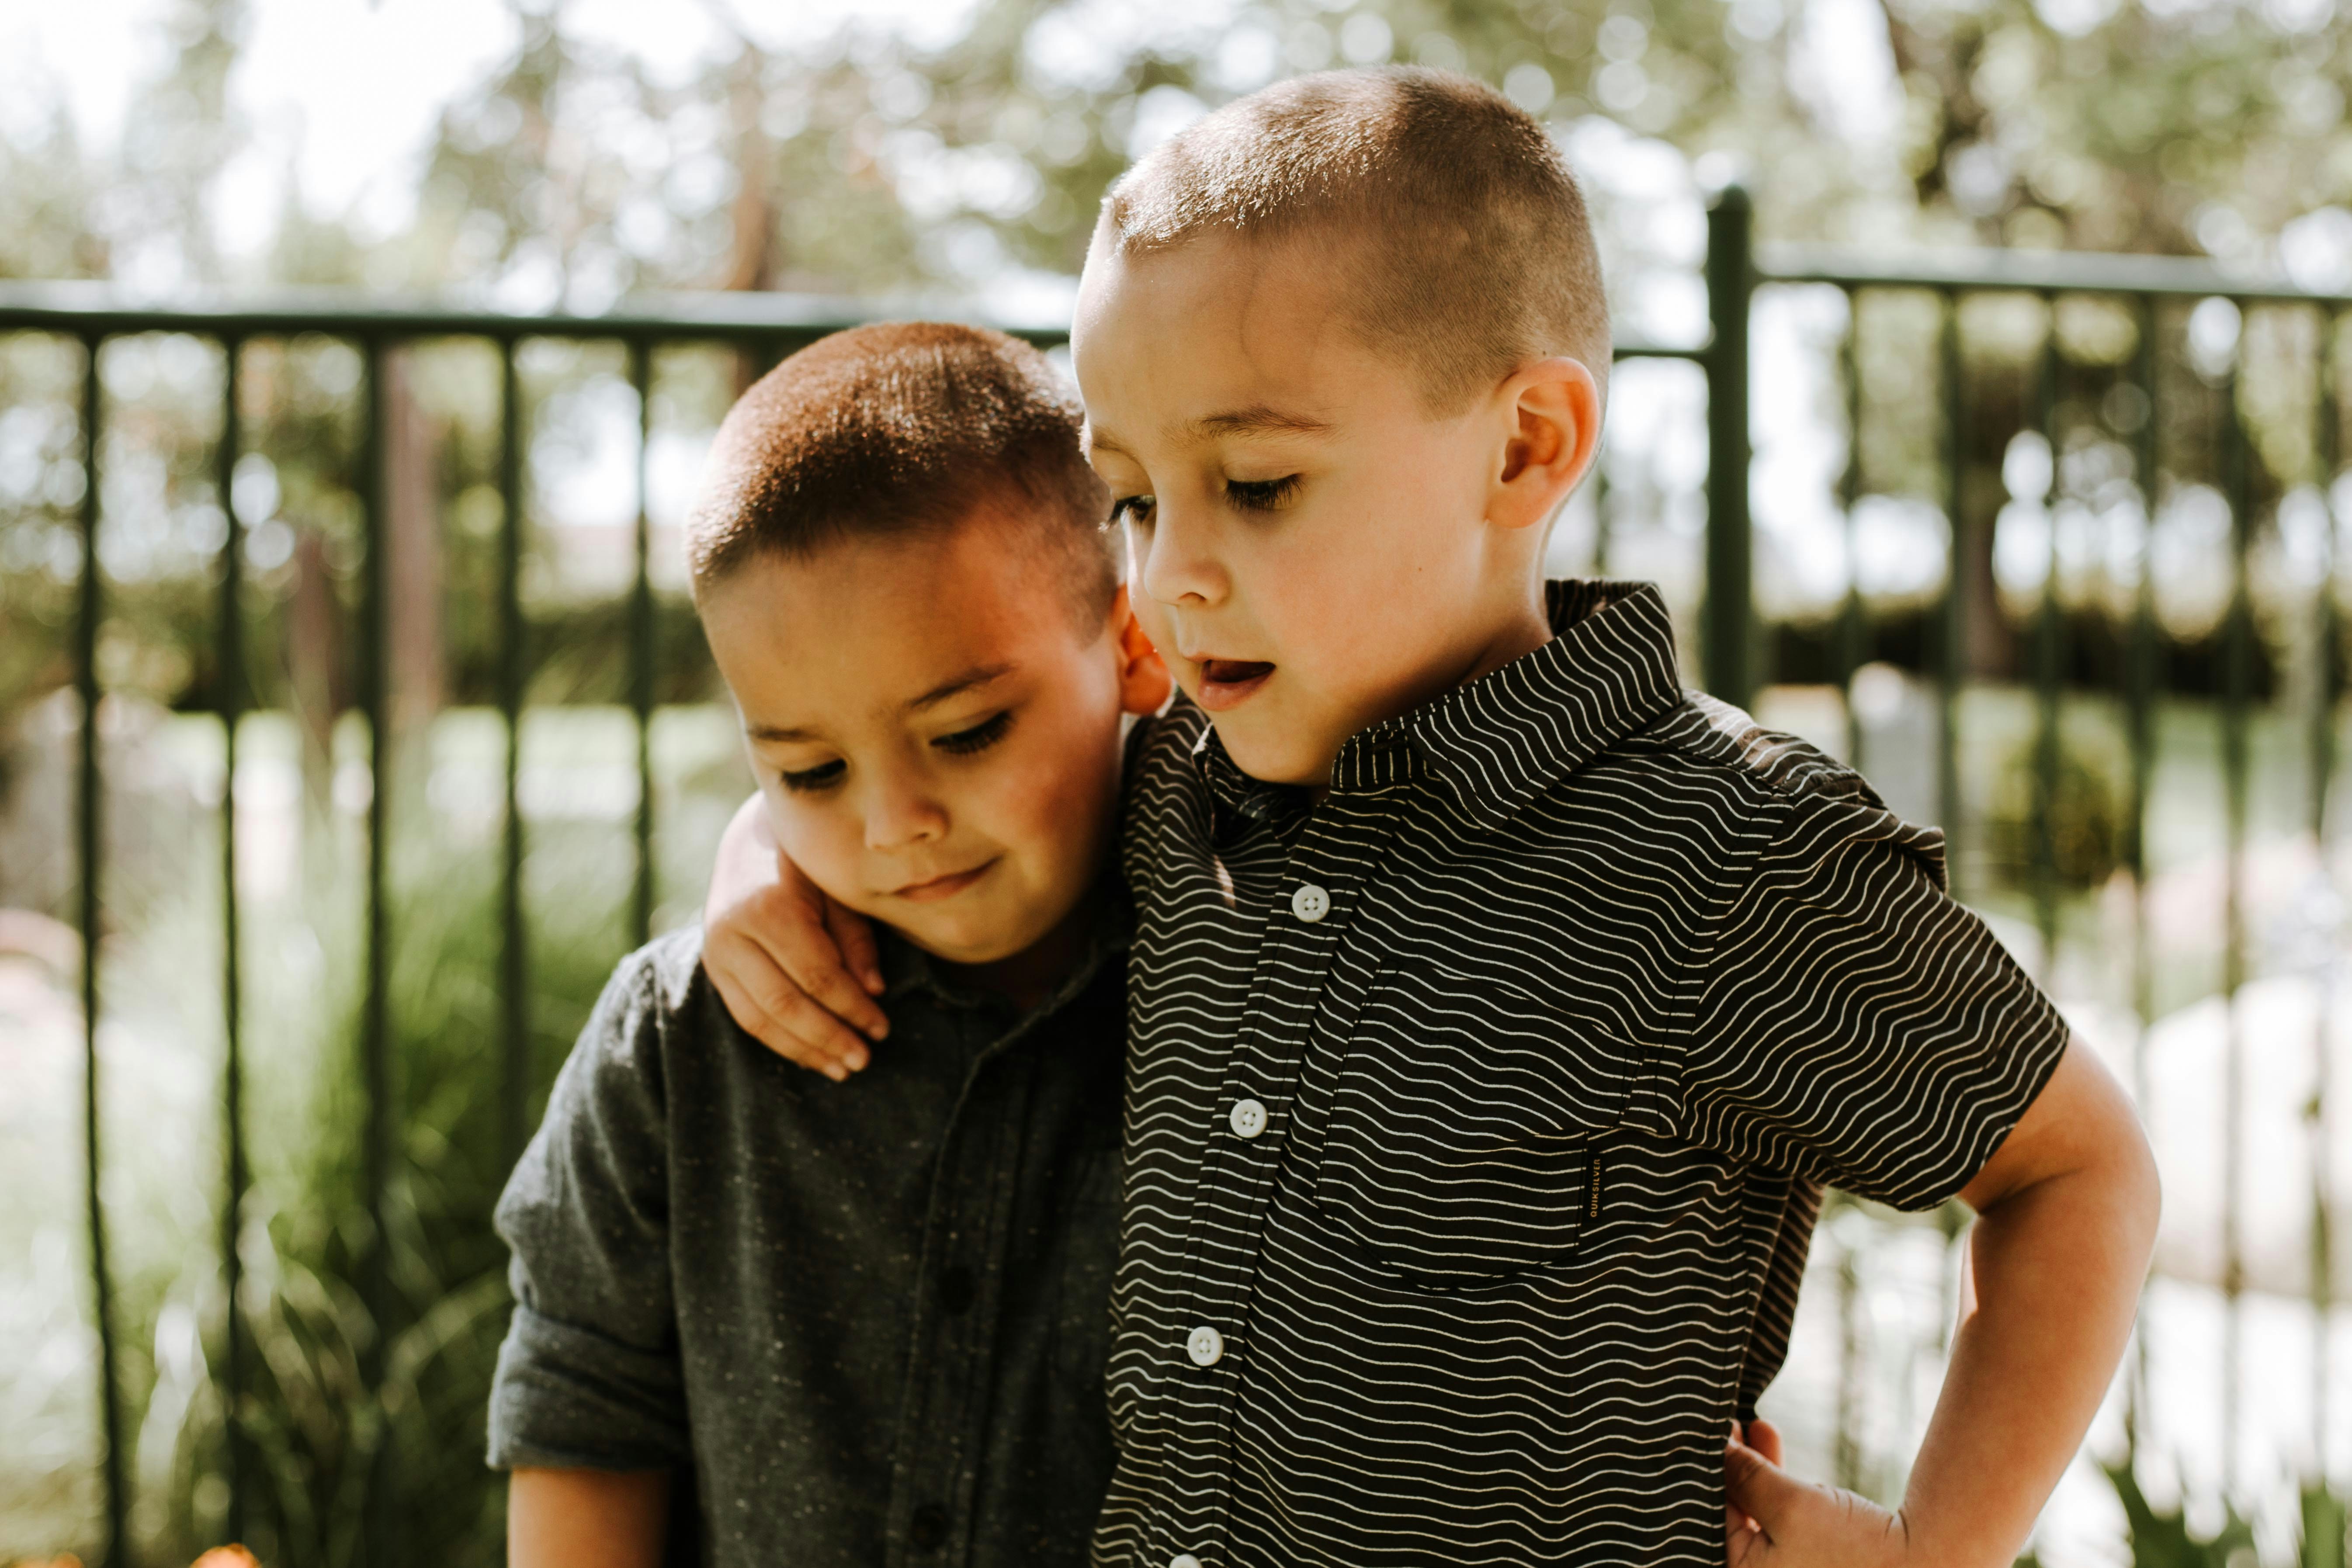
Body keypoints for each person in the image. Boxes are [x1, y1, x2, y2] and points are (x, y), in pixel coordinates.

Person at [703, 69, 2161, 1568]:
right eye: (1134, 499)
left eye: (1258, 485)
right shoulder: (1179, 802)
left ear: (1527, 446)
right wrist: (758, 856)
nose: (1170, 576)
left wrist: (1938, 1546)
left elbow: (2075, 1170)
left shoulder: (1723, 856)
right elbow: (930, 802)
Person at [485, 321, 1169, 1568]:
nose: (892, 823)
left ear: (1134, 645)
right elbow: (585, 1406)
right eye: (806, 770)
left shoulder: (1260, 984)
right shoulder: (681, 1045)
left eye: (966, 734)